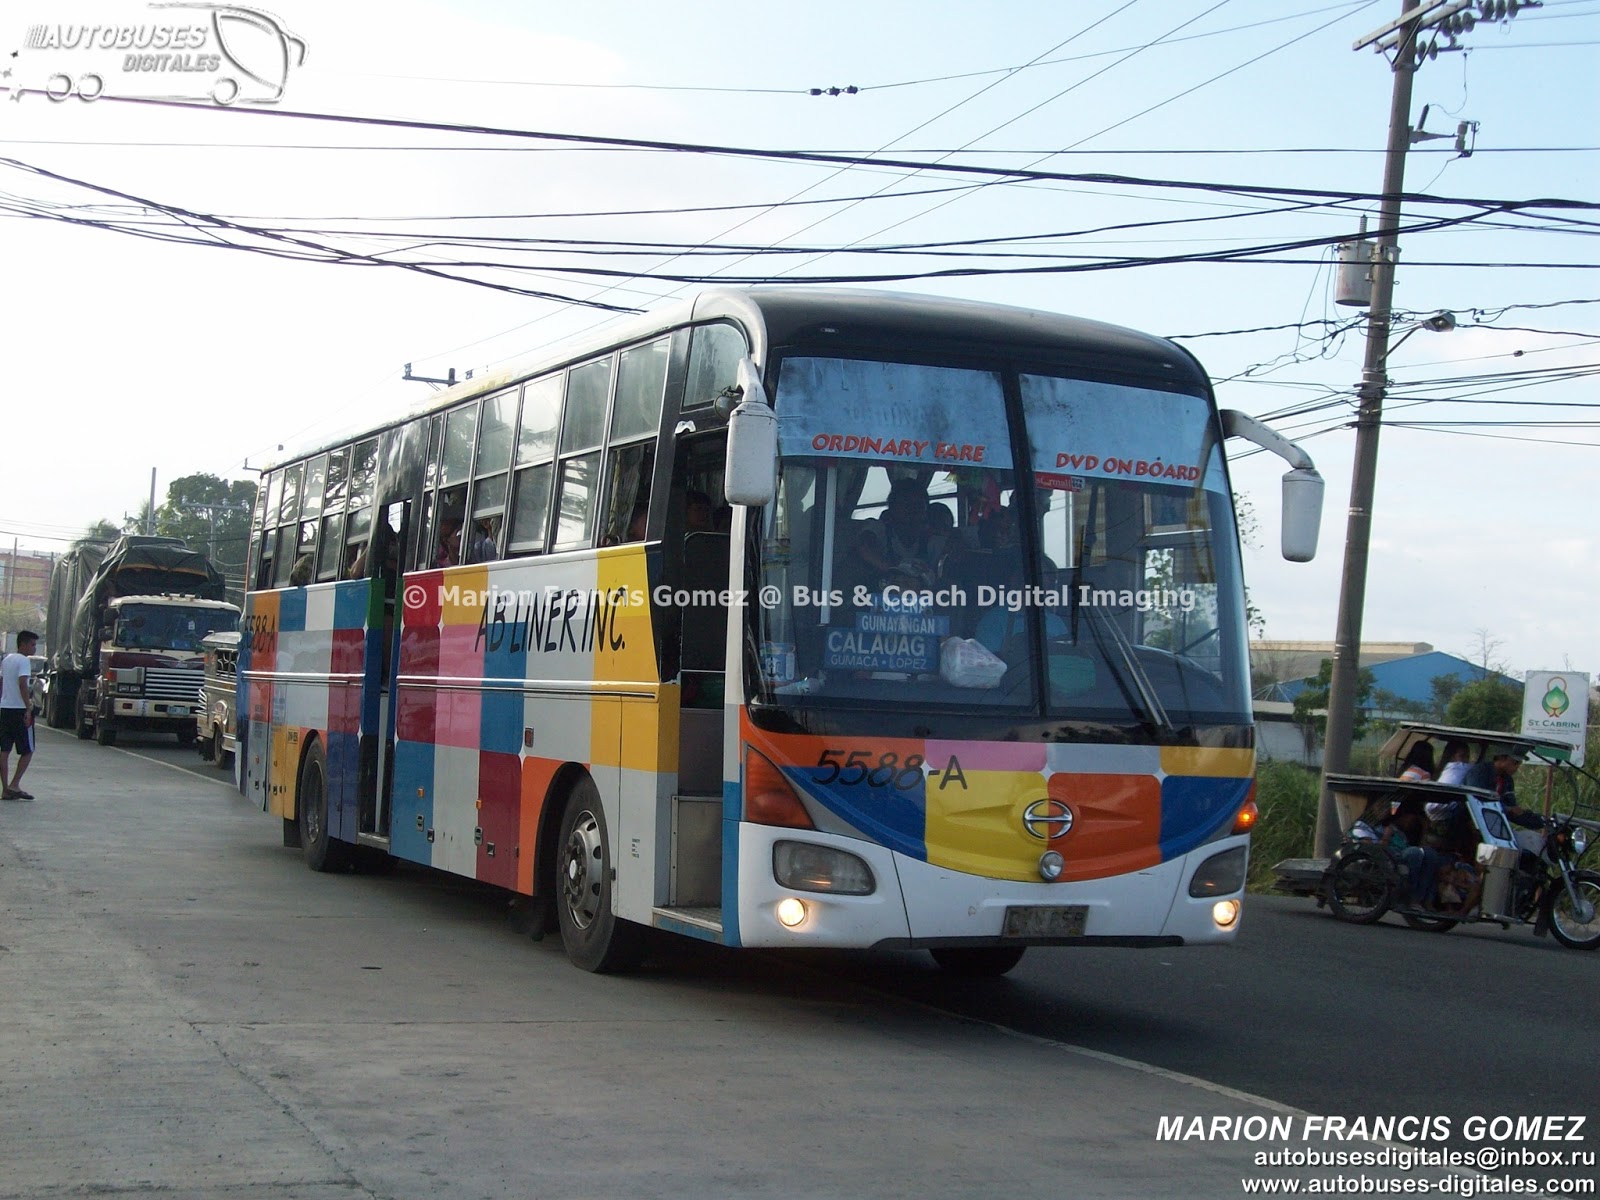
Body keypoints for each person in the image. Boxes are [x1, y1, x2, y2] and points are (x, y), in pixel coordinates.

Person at [2, 630, 38, 802]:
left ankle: (5, 788)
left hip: (5, 708)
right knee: (28, 750)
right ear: (23, 644)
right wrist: (28, 708)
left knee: (4, 749)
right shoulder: (23, 661)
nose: (34, 648)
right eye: (32, 644)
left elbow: (2, 683)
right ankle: (15, 784)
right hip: (18, 710)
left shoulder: (7, 659)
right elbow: (23, 684)